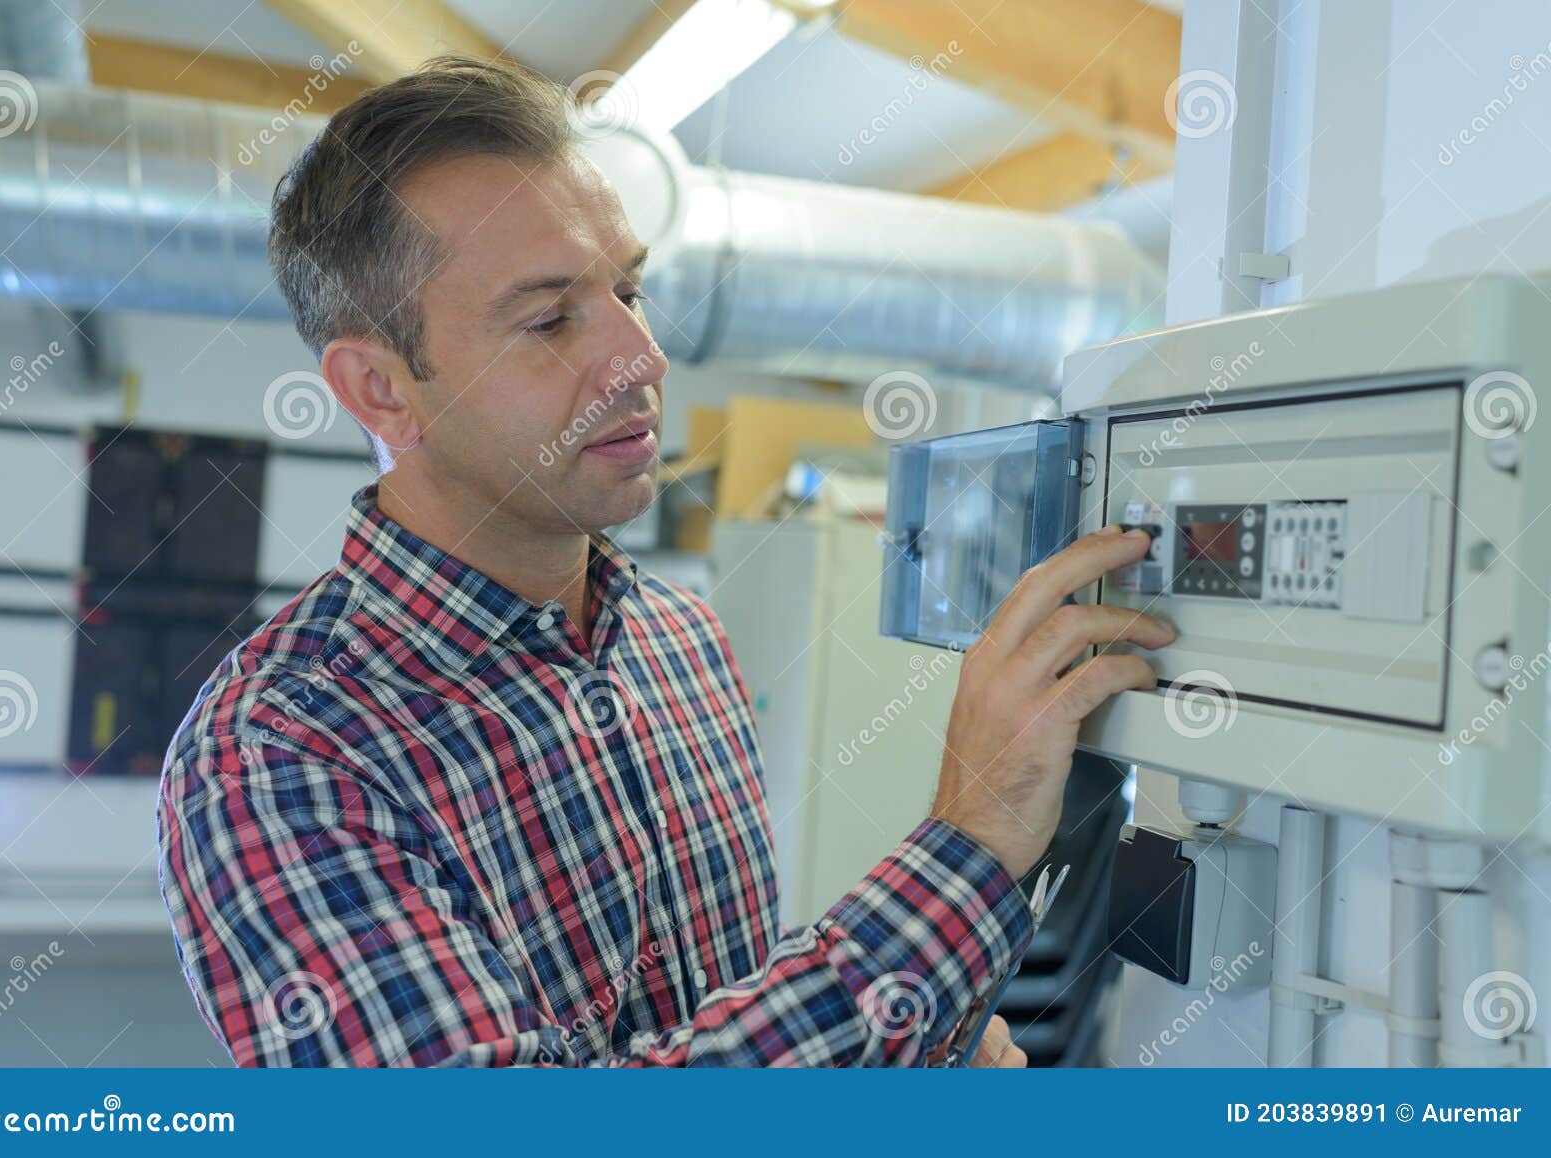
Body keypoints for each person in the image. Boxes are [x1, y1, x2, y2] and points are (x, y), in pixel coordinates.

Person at [156, 55, 1174, 1067]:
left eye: (629, 289)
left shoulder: (675, 638)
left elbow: (702, 1019)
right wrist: (973, 838)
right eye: (550, 319)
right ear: (382, 391)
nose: (642, 358)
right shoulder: (278, 755)